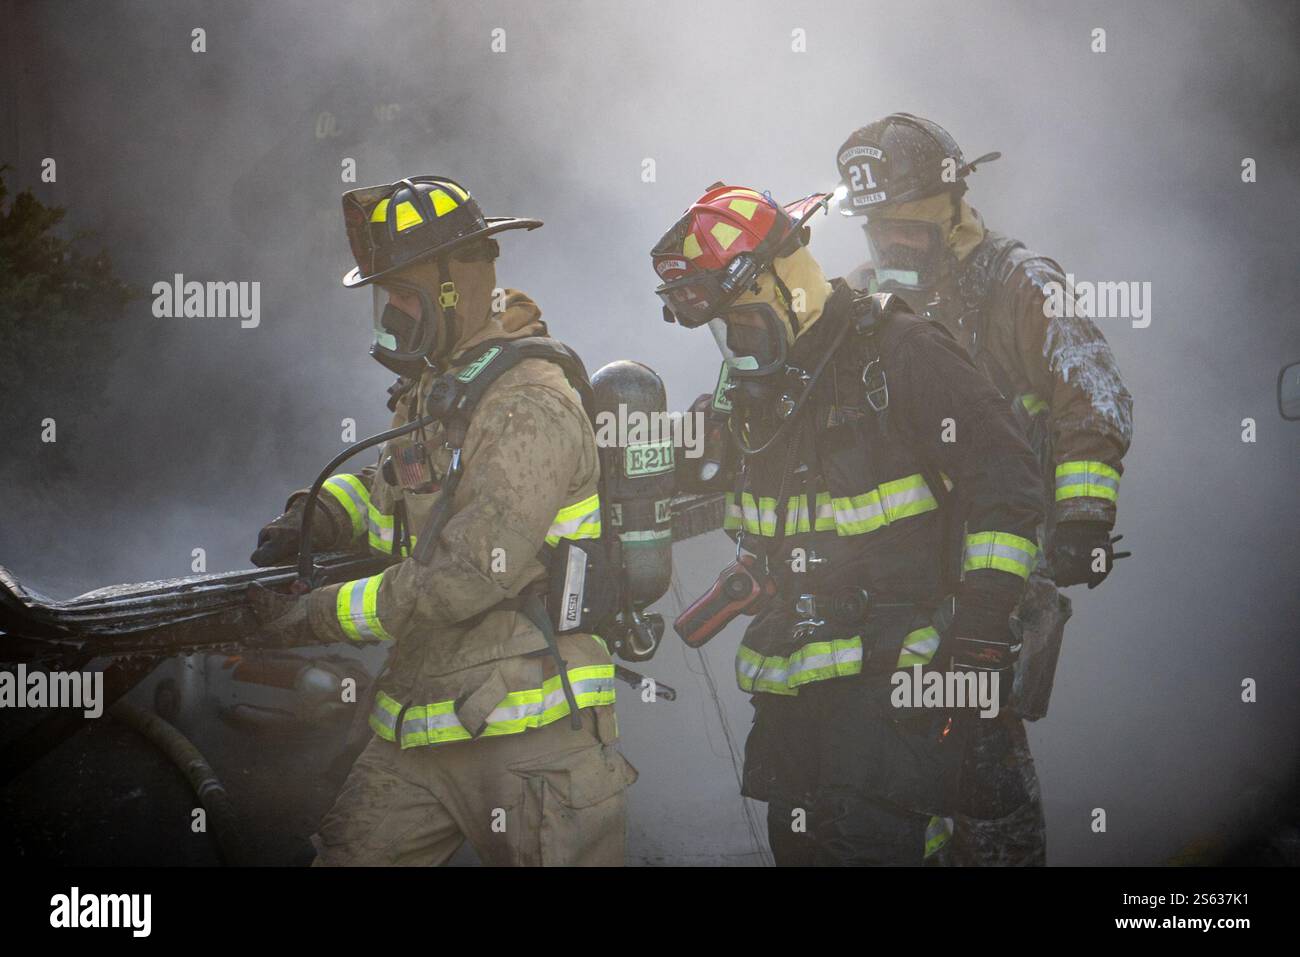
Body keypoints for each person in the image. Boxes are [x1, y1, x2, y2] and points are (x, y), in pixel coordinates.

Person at [248, 175, 636, 866]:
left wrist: (318, 614)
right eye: (386, 294)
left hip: (530, 735)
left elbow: (464, 573)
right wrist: (324, 513)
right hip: (422, 726)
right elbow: (403, 495)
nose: (392, 311)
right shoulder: (442, 386)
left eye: (403, 292)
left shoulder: (528, 402)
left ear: (452, 286)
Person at [655, 183, 1043, 864]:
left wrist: (982, 627)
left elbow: (1005, 476)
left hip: (902, 676)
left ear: (784, 281)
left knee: (878, 845)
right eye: (725, 330)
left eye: (742, 321)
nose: (735, 346)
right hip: (793, 685)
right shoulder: (755, 386)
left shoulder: (901, 350)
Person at [835, 114, 1134, 863]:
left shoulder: (1018, 282)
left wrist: (1084, 517)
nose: (892, 246)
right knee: (897, 745)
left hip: (998, 562)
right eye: (878, 230)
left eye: (908, 228)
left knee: (978, 741)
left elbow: (1091, 393)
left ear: (952, 205)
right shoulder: (866, 302)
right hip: (901, 574)